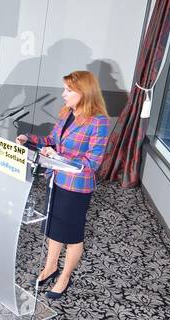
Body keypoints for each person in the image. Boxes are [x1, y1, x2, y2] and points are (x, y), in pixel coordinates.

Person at [17, 70, 111, 300]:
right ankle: (50, 268)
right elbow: (52, 142)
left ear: (84, 92)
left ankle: (64, 277)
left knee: (71, 235)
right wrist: (29, 139)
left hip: (77, 187)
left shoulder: (99, 122)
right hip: (56, 181)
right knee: (54, 229)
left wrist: (58, 157)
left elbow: (92, 163)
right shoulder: (68, 113)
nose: (63, 94)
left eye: (68, 90)